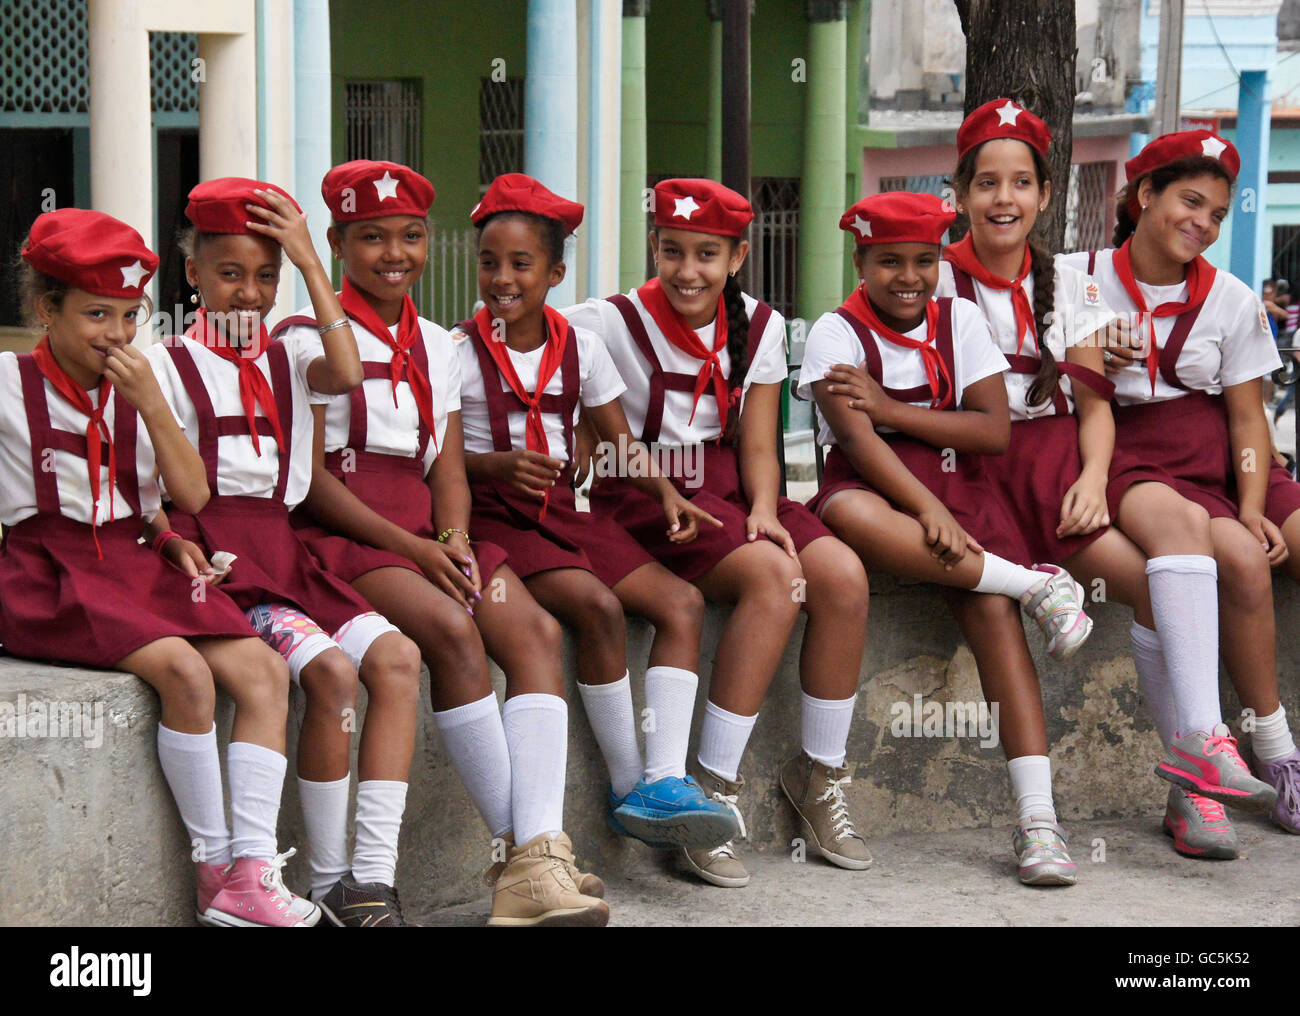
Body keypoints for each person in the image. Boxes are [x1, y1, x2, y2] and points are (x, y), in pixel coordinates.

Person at [933, 100, 1276, 859]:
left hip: (1053, 468)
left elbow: (1093, 405)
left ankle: (1195, 772)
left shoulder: (1070, 282)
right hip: (968, 474)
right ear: (959, 193)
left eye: (1022, 183)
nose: (1004, 199)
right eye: (986, 183)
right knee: (995, 612)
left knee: (1160, 576)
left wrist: (1092, 478)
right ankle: (1042, 821)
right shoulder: (933, 279)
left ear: (1045, 196)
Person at [276, 162, 615, 927]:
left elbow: (448, 467)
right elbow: (313, 479)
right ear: (336, 244)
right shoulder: (304, 337)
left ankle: (537, 858)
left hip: (429, 533)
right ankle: (529, 862)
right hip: (346, 535)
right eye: (372, 237)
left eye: (411, 236)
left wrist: (455, 537)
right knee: (452, 630)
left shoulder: (438, 344)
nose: (394, 253)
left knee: (533, 631)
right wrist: (416, 545)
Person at [3, 208, 316, 926]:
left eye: (128, 316)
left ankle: (252, 868)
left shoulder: (145, 387)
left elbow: (191, 495)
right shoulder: (8, 385)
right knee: (185, 672)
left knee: (265, 670)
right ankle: (215, 870)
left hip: (135, 562)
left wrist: (151, 410)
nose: (115, 334)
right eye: (95, 314)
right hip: (52, 572)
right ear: (47, 311)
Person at [566, 178, 873, 889]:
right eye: (672, 250)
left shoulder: (762, 326)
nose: (687, 270)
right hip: (646, 496)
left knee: (844, 577)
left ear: (736, 257)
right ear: (654, 247)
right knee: (776, 578)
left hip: (735, 490)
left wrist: (764, 507)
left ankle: (819, 775)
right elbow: (527, 345)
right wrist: (581, 430)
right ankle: (711, 792)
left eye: (707, 254)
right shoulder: (608, 320)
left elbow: (760, 442)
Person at [800, 189, 1101, 885]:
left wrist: (889, 406)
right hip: (873, 489)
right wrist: (923, 505)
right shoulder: (834, 334)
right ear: (860, 262)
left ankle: (1039, 822)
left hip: (961, 490)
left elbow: (992, 431)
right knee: (848, 516)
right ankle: (1033, 584)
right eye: (889, 261)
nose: (908, 277)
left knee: (993, 616)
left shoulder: (959, 318)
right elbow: (857, 442)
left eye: (923, 260)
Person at [145, 178, 424, 925]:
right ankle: (318, 878)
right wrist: (175, 545)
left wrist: (307, 260)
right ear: (193, 273)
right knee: (331, 672)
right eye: (229, 274)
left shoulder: (291, 355)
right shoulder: (167, 364)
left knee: (398, 659)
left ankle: (367, 878)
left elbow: (349, 372)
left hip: (285, 552)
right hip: (221, 563)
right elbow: (150, 491)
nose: (249, 293)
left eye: (266, 276)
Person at [455, 174, 738, 900]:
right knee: (598, 607)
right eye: (489, 262)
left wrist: (666, 492)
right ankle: (625, 787)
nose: (503, 278)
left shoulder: (579, 346)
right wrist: (494, 466)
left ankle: (663, 783)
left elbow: (618, 441)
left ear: (555, 274)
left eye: (521, 264)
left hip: (564, 515)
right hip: (496, 520)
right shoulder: (454, 351)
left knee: (680, 602)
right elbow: (436, 460)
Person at [1063, 130, 1300, 840]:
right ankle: (1262, 754)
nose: (1203, 223)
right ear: (1145, 195)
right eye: (1190, 202)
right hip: (1134, 455)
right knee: (1241, 561)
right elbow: (1059, 382)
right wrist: (1090, 348)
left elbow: (1249, 420)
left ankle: (1257, 754)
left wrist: (1253, 506)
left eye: (1217, 213)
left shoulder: (1230, 298)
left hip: (1224, 458)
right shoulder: (1079, 277)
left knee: (1260, 540)